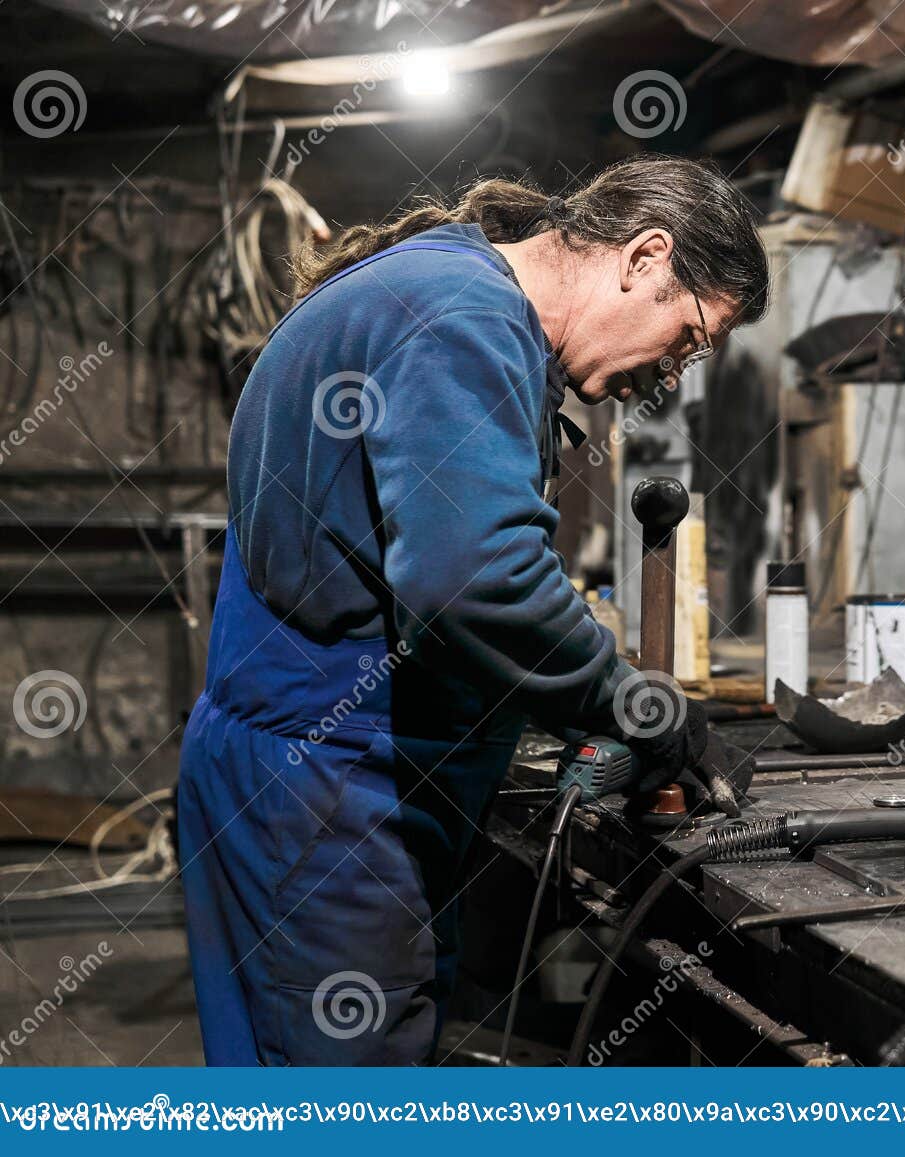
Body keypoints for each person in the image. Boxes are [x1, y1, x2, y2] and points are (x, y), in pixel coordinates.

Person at [176, 155, 770, 1065]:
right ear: (646, 257)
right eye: (691, 337)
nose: (675, 372)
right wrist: (631, 703)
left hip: (308, 774)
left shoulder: (447, 294)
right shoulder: (464, 319)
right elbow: (474, 576)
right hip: (328, 792)